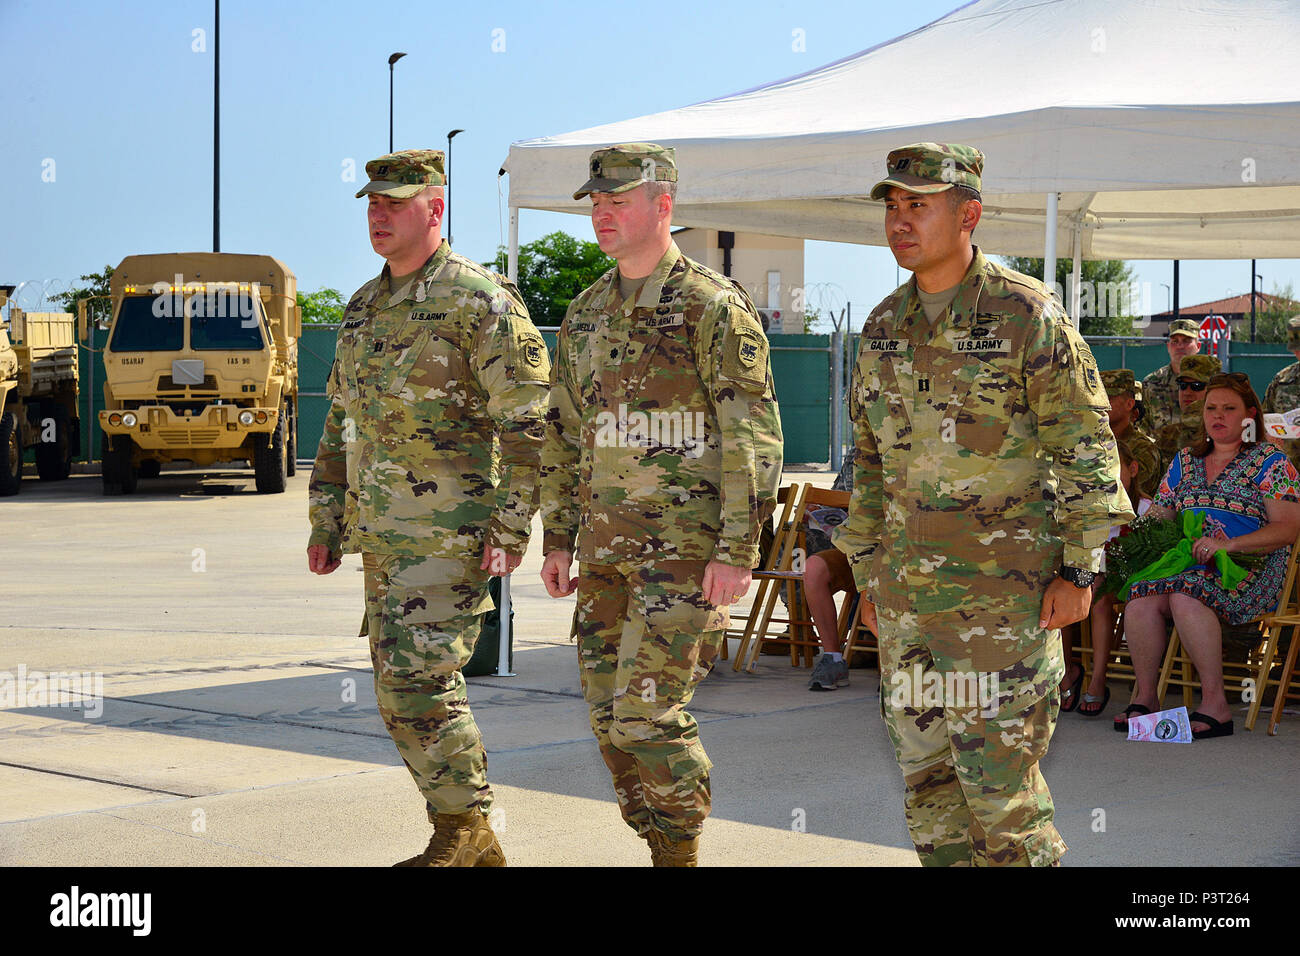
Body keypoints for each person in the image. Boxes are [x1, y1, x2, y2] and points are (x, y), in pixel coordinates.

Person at [833, 142, 1132, 867]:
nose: (900, 221)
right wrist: (869, 574)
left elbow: (1085, 447)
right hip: (907, 604)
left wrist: (1082, 570)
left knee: (1003, 805)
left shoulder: (1025, 314)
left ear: (968, 213)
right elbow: (869, 466)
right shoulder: (881, 326)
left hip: (1003, 605)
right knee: (931, 799)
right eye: (893, 206)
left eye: (919, 205)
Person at [538, 143, 783, 866]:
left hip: (684, 558)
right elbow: (562, 433)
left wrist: (739, 550)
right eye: (596, 202)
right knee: (611, 726)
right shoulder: (585, 314)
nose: (603, 215)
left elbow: (753, 435)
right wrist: (558, 540)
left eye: (618, 201)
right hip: (606, 557)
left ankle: (680, 856)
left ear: (663, 204)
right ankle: (663, 844)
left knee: (647, 719)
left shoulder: (711, 306)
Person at [307, 149, 551, 866]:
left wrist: (511, 527)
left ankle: (465, 829)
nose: (379, 215)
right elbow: (339, 424)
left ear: (435, 208)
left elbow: (529, 425)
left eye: (396, 202)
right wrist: (327, 520)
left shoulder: (480, 300)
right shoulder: (363, 306)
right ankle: (464, 830)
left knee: (423, 684)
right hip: (384, 535)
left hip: (453, 534)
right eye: (372, 203)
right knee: (395, 691)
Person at [1118, 372, 1300, 738]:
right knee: (1141, 595)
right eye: (1211, 409)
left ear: (1250, 415)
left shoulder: (1271, 462)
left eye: (1229, 409)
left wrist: (1227, 545)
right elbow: (1159, 518)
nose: (1218, 416)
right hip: (1191, 566)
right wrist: (1124, 539)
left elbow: (1288, 529)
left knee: (1186, 594)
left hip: (1251, 569)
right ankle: (1147, 698)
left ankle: (1215, 704)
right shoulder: (1186, 461)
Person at [1071, 439, 1153, 717]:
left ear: (1133, 468)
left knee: (1100, 600)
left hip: (1131, 580)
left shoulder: (1146, 509)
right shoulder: (1093, 509)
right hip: (1095, 578)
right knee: (1067, 589)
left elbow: (1147, 555)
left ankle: (1098, 679)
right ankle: (1067, 670)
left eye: (1116, 468)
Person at [803, 455, 874, 691]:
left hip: (893, 553)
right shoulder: (857, 454)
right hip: (855, 549)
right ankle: (833, 658)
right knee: (814, 568)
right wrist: (819, 510)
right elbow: (837, 497)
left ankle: (897, 667)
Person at [1154, 353, 1221, 477]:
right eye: (1183, 386)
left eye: (1197, 386)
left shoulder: (1227, 434)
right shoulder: (1168, 435)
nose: (1187, 392)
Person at [1101, 369, 1160, 495]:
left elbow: (1123, 491)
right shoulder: (1091, 441)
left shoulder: (1143, 449)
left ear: (1129, 404)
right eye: (1097, 397)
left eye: (1108, 398)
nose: (1100, 403)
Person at [1142, 318, 1202, 438]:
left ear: (1198, 346)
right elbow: (1142, 428)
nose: (1180, 346)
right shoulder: (1151, 383)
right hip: (1162, 455)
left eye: (1186, 341)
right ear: (1168, 346)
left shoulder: (1210, 383)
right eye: (1175, 341)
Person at [1262, 315, 1300, 468]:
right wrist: (1268, 434)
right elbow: (1264, 416)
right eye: (1296, 348)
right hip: (1287, 477)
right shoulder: (1282, 380)